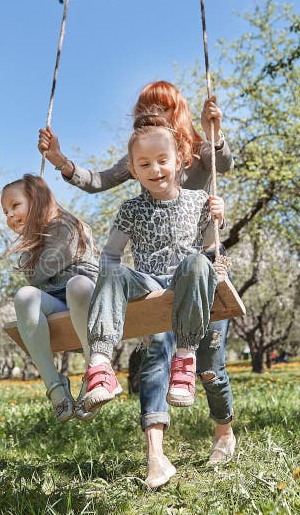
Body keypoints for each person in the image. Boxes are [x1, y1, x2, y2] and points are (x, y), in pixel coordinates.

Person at [39, 81, 236, 487]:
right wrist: (59, 160)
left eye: (163, 107)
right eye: (147, 107)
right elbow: (98, 181)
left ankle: (223, 430)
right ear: (136, 166)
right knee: (154, 357)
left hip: (200, 269)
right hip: (152, 278)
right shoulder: (142, 155)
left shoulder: (196, 151)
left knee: (210, 366)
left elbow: (224, 164)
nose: (153, 114)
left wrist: (214, 134)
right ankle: (155, 456)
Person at [80, 114, 227, 466]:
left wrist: (218, 218)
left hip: (184, 280)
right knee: (112, 272)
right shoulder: (131, 209)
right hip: (148, 283)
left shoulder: (199, 201)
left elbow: (210, 248)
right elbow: (111, 254)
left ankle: (185, 357)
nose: (155, 169)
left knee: (197, 263)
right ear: (133, 169)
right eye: (144, 164)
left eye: (163, 160)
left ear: (181, 161)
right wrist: (110, 288)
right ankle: (100, 364)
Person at [1, 174, 99, 422]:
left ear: (37, 199)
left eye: (15, 205)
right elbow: (32, 280)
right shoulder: (35, 239)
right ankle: (55, 387)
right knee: (24, 296)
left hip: (85, 298)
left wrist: (32, 244)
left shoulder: (66, 225)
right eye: (5, 212)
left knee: (77, 285)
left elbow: (36, 273)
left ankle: (94, 375)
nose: (10, 215)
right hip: (57, 302)